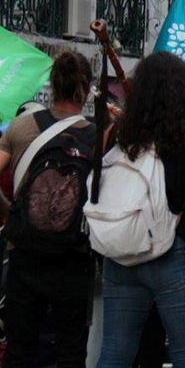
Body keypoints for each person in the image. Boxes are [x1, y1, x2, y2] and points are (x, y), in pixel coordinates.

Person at [96, 51, 185, 368]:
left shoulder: (115, 133)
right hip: (174, 249)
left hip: (122, 249)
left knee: (115, 351)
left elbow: (99, 185)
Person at [0, 52, 96, 368]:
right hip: (74, 258)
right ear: (88, 87)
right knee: (70, 351)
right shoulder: (98, 135)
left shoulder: (20, 126)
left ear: (51, 84)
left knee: (19, 351)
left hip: (24, 253)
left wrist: (9, 210)